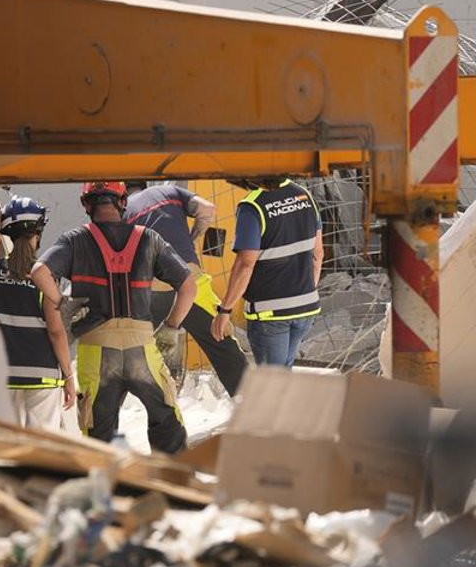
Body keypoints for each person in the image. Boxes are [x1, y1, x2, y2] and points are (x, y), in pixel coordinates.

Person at [32, 181, 198, 454]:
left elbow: (40, 272)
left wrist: (63, 302)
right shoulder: (149, 238)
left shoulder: (74, 239)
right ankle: (171, 484)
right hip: (141, 349)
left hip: (97, 352)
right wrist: (171, 327)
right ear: (123, 202)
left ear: (87, 205)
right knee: (166, 421)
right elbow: (188, 287)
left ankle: (104, 491)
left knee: (98, 437)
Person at [124, 180, 248, 396]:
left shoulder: (122, 211)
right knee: (221, 338)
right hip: (190, 277)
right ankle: (251, 406)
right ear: (145, 183)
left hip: (150, 285)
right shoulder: (169, 191)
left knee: (126, 352)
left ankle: (100, 419)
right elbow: (208, 209)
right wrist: (191, 240)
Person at [0, 195, 75, 430]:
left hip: (5, 375)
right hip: (41, 375)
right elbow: (55, 332)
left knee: (6, 446)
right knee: (41, 450)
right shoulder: (46, 277)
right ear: (38, 233)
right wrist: (68, 376)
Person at [211, 177, 323, 368]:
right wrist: (305, 293)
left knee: (271, 383)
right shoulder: (304, 196)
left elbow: (245, 264)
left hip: (270, 314)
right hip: (306, 308)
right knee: (281, 379)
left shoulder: (253, 206)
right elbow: (318, 254)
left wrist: (225, 310)